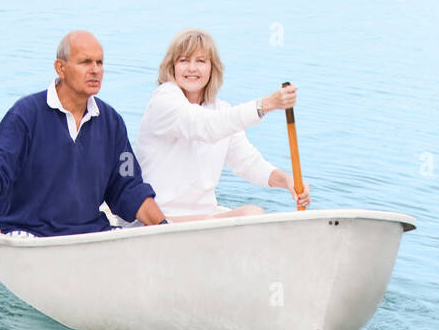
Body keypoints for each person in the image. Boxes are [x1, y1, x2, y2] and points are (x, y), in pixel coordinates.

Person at [0, 31, 166, 249]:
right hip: (28, 234)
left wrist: (165, 227)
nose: (95, 70)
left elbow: (129, 187)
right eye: (85, 62)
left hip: (88, 234)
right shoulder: (26, 114)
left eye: (99, 62)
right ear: (60, 68)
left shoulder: (112, 123)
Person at [134, 29, 312, 221]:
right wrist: (266, 105)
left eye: (201, 61)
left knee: (254, 214)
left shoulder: (221, 110)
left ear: (212, 68)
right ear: (172, 67)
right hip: (157, 219)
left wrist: (287, 181)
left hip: (201, 218)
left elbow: (248, 163)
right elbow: (204, 126)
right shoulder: (164, 100)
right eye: (184, 60)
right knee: (249, 217)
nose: (192, 68)